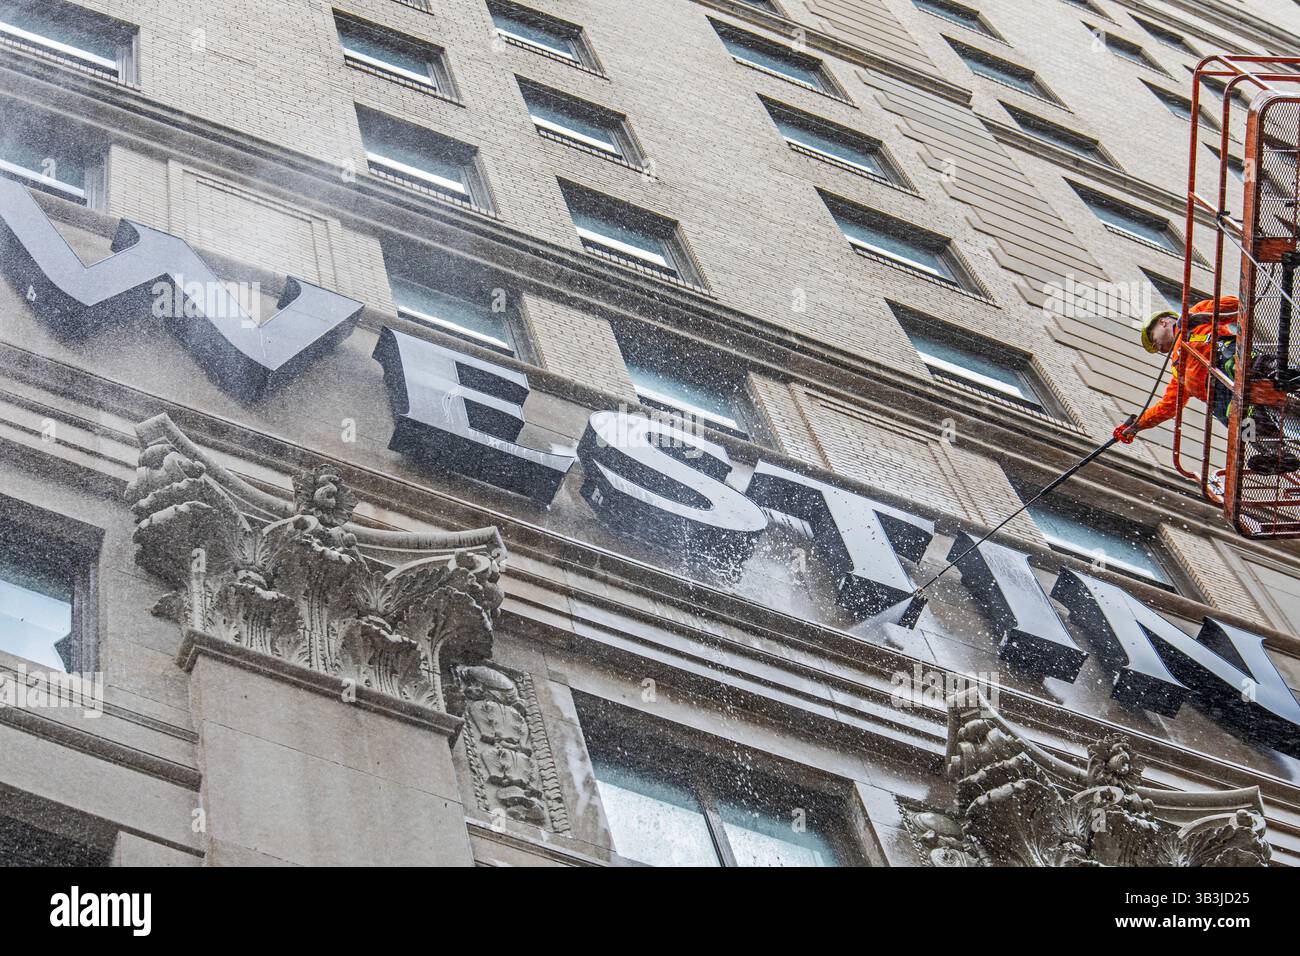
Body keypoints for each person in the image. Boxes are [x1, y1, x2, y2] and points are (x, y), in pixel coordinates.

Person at [1113, 295, 1299, 475]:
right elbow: (1167, 407)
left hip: (1236, 364)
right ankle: (1277, 453)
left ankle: (1283, 373)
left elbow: (1237, 305)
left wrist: (1206, 315)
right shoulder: (1178, 372)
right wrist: (1137, 426)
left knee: (1235, 361)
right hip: (1228, 398)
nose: (1157, 347)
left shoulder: (1196, 315)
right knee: (1244, 425)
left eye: (1153, 339)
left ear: (1163, 322)